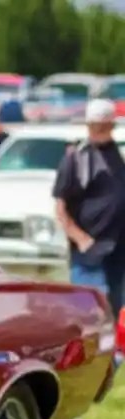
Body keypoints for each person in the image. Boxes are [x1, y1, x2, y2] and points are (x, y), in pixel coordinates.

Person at [53, 99, 125, 315]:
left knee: (117, 313)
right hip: (90, 252)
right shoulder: (77, 159)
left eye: (103, 125)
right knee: (90, 313)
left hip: (119, 250)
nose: (98, 130)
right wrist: (81, 239)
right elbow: (60, 207)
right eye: (94, 125)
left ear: (112, 125)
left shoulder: (119, 156)